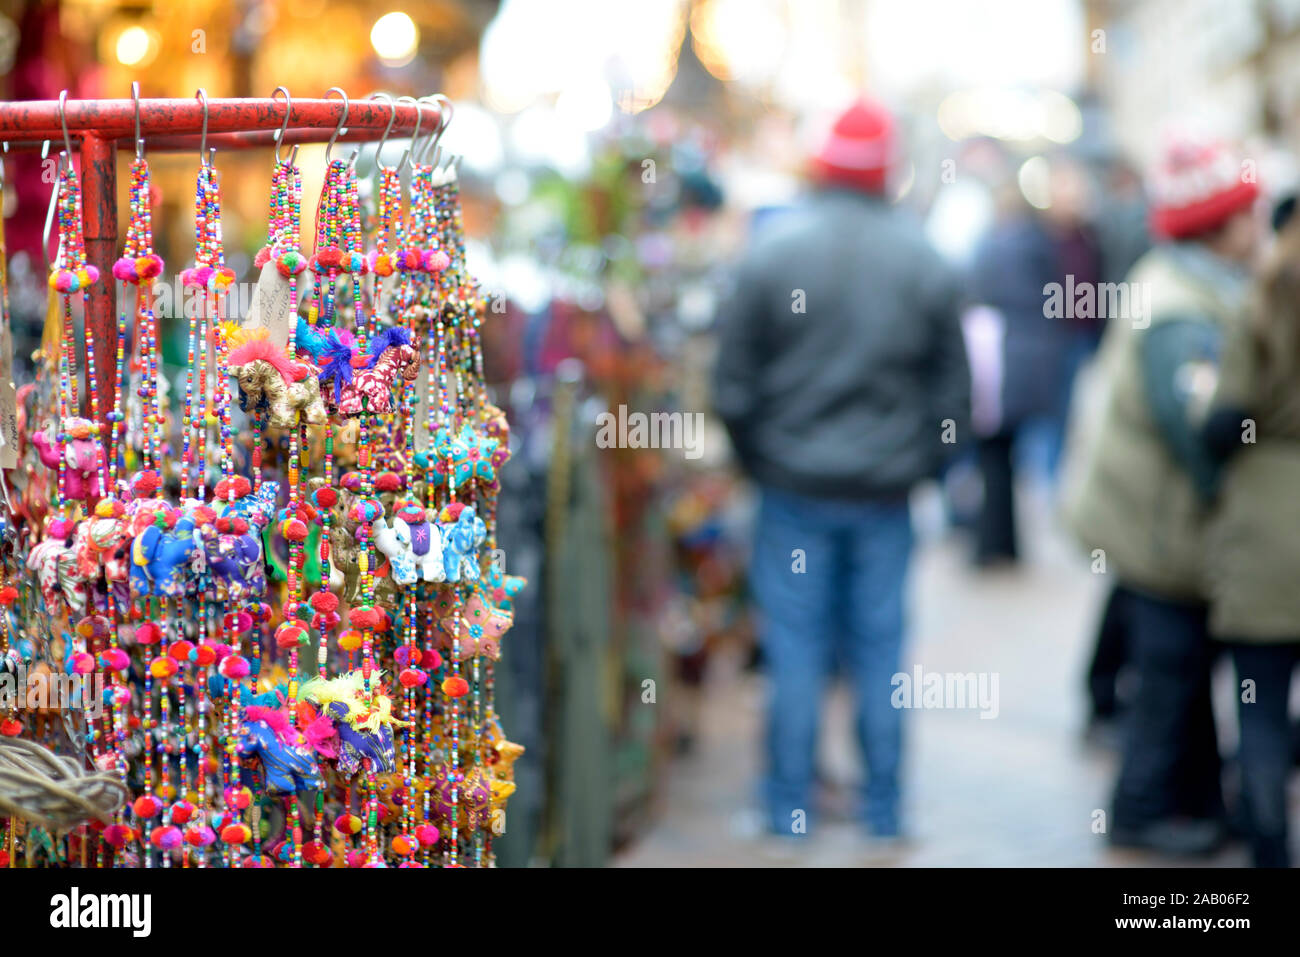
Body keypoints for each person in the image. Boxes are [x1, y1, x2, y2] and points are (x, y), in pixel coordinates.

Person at [711, 98, 970, 842]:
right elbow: (955, 396)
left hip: (795, 488)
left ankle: (787, 809)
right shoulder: (923, 259)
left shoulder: (772, 253)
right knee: (879, 650)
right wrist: (920, 465)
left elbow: (733, 386)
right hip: (883, 494)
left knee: (795, 650)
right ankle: (883, 811)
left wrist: (764, 459)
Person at [1066, 134, 1260, 855]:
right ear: (1220, 225)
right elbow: (1199, 432)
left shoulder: (1184, 281)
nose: (1259, 227)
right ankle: (1140, 810)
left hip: (1155, 526)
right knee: (1169, 680)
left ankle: (1198, 800)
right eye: (1248, 215)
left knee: (1180, 676)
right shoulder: (1183, 309)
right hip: (1162, 533)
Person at [1201, 201, 1300, 867]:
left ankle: (1269, 850)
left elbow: (1223, 422)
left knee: (1259, 709)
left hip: (1268, 523)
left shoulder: (1259, 305)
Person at [967, 183, 1070, 564]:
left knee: (992, 455)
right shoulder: (1040, 244)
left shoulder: (991, 245)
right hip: (1033, 356)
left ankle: (990, 544)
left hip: (998, 357)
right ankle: (1006, 544)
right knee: (1008, 456)